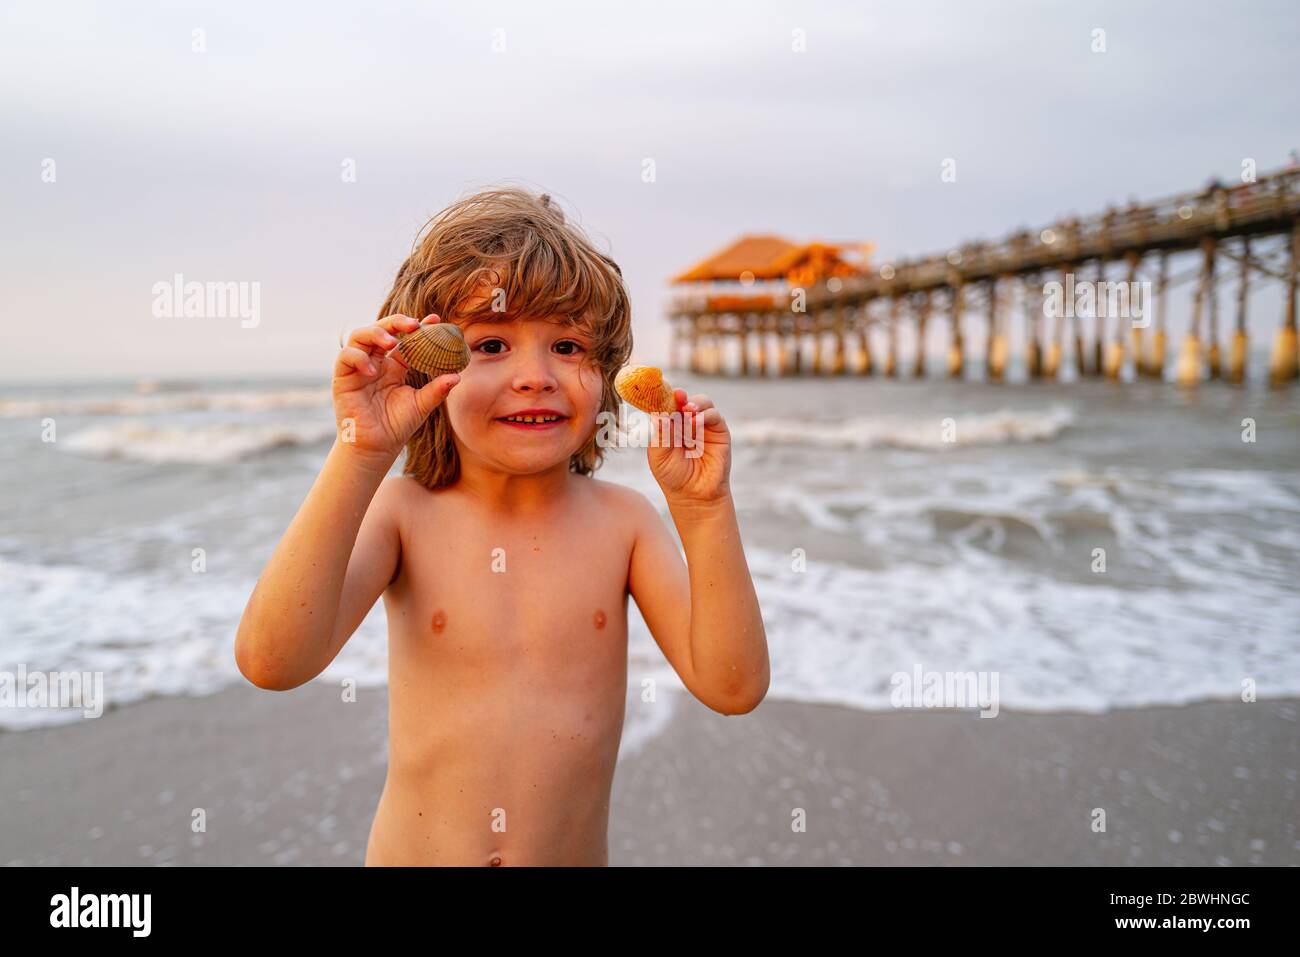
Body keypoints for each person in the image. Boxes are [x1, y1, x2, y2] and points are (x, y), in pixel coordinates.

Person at [234, 188, 770, 866]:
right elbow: (272, 660)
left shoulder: (624, 525)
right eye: (491, 343)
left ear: (604, 374)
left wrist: (703, 510)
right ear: (429, 365)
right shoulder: (405, 514)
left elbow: (734, 685)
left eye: (568, 345)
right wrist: (360, 449)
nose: (535, 376)